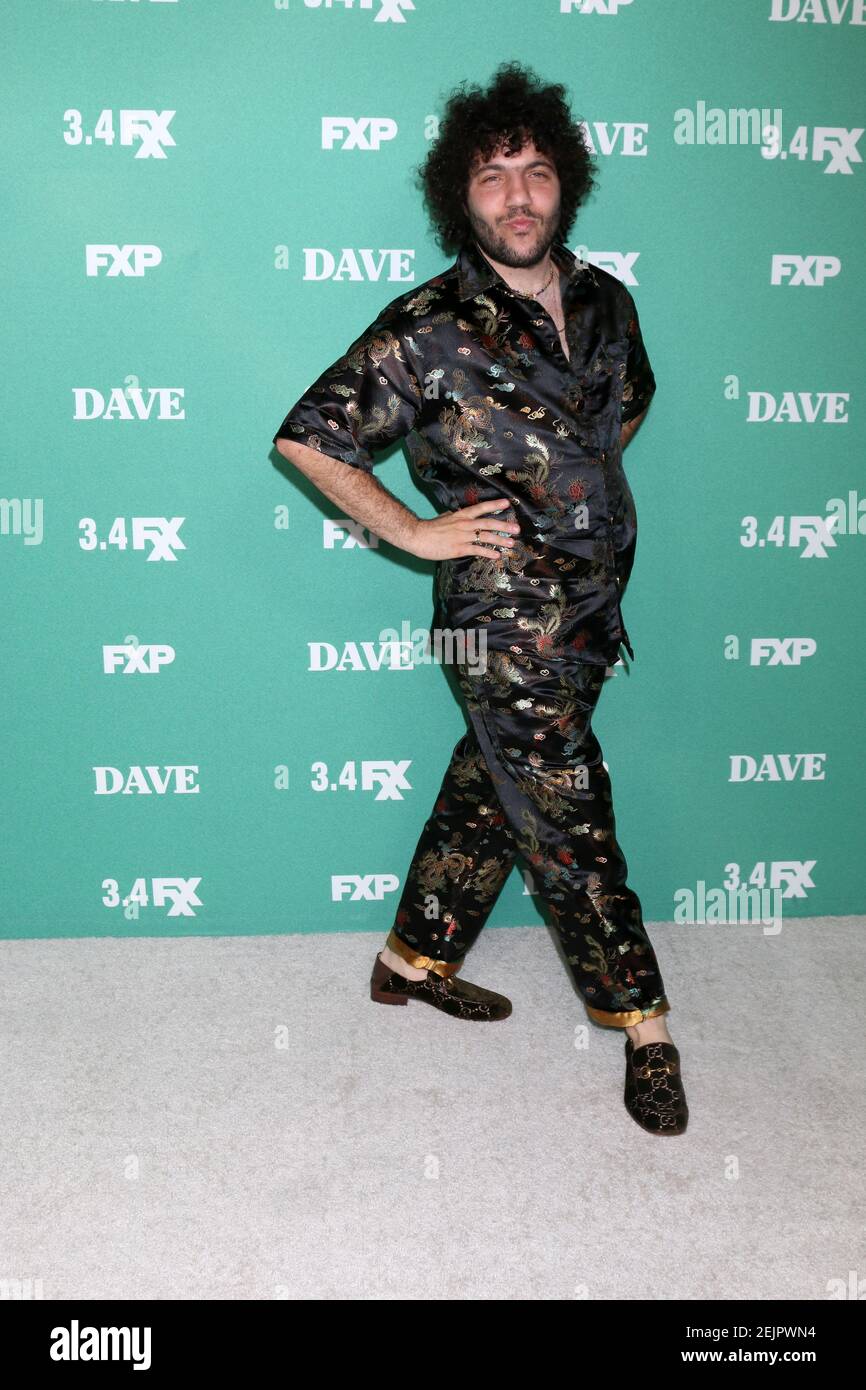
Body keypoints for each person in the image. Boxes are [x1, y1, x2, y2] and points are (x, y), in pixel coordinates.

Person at [271, 63, 687, 1136]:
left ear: (565, 186)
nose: (516, 196)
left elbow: (619, 416)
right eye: (493, 178)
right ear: (459, 196)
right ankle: (644, 1024)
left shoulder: (606, 304)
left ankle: (409, 961)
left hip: (594, 617)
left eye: (535, 173)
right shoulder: (425, 326)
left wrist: (576, 504)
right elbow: (306, 438)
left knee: (492, 790)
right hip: (498, 627)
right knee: (573, 823)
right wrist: (415, 530)